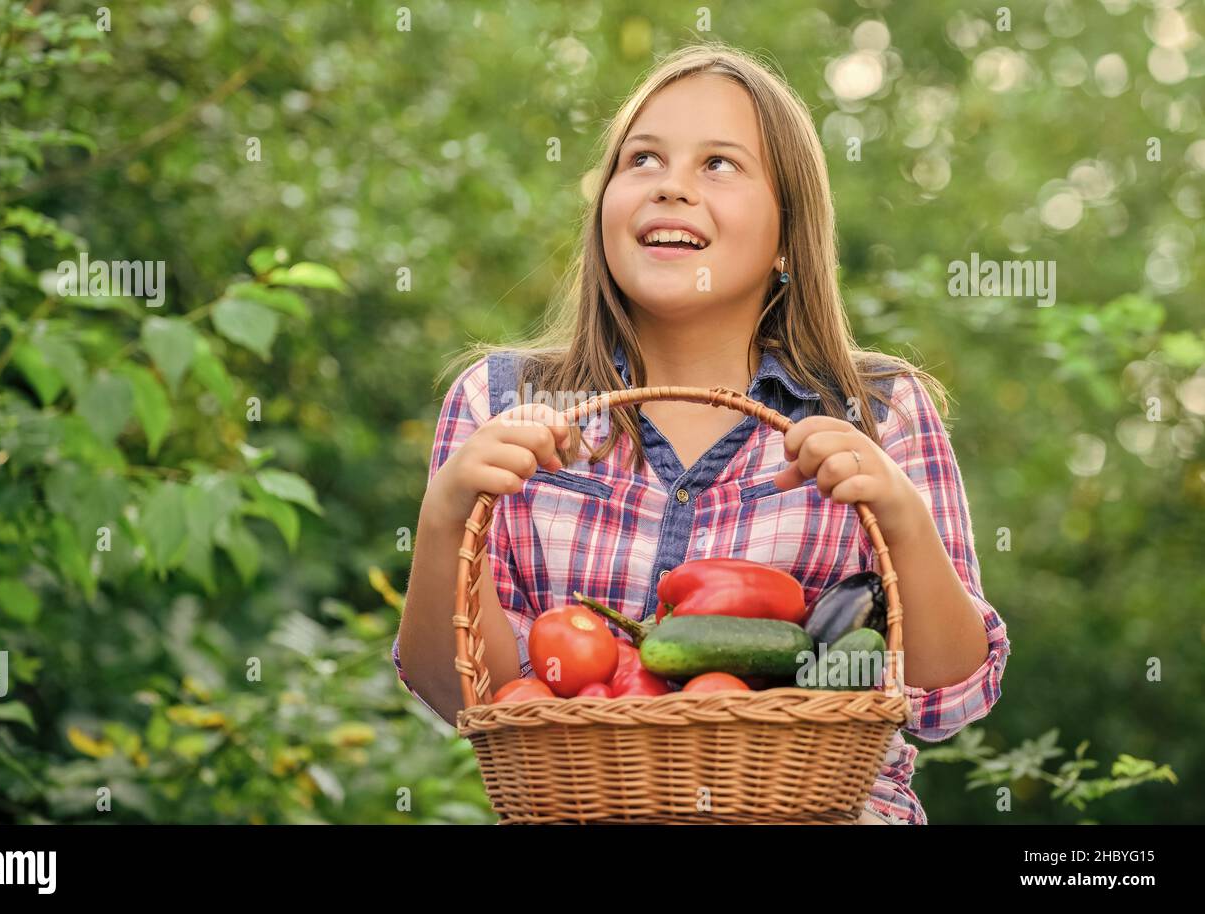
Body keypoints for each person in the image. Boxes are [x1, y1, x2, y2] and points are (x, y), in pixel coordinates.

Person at [394, 42, 1009, 825]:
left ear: (789, 235)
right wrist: (446, 515)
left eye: (719, 164)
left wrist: (898, 514)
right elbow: (465, 695)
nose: (672, 186)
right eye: (642, 159)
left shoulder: (878, 409)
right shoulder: (503, 402)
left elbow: (947, 696)